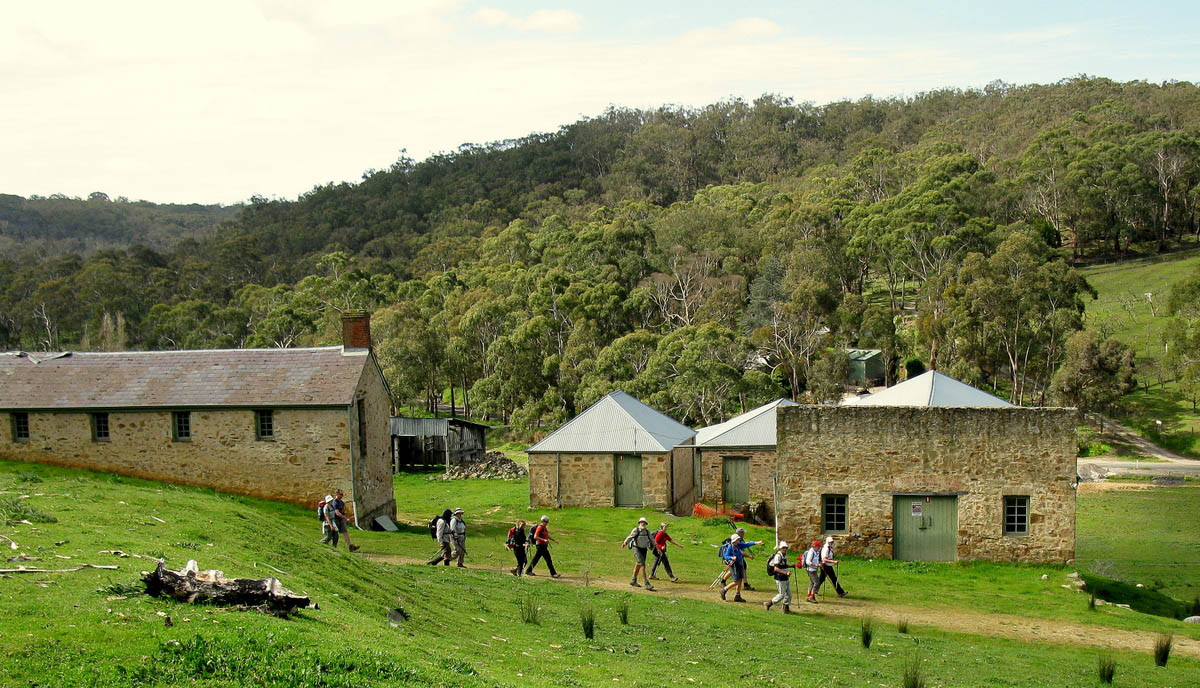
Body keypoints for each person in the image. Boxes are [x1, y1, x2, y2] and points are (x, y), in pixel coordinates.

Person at [719, 532, 762, 602]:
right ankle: (724, 590)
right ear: (734, 541)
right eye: (737, 540)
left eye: (739, 539)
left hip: (740, 565)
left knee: (740, 580)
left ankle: (737, 596)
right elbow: (726, 556)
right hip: (734, 566)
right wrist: (732, 557)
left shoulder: (739, 545)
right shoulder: (730, 547)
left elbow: (747, 544)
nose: (739, 541)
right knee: (736, 581)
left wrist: (756, 543)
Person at [622, 517, 656, 590]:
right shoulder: (636, 530)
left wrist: (657, 547)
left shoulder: (647, 531)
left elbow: (652, 540)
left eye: (644, 522)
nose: (643, 523)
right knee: (642, 565)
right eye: (641, 522)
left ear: (646, 524)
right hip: (636, 548)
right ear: (639, 523)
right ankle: (646, 583)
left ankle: (633, 580)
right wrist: (625, 543)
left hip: (644, 549)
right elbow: (630, 537)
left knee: (638, 564)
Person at [764, 541, 794, 613]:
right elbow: (776, 568)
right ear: (780, 548)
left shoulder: (784, 555)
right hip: (780, 577)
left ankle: (785, 609)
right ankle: (768, 603)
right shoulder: (778, 556)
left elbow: (783, 565)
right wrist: (786, 573)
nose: (785, 549)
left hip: (785, 577)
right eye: (783, 548)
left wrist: (791, 566)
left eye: (786, 548)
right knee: (781, 595)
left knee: (789, 594)